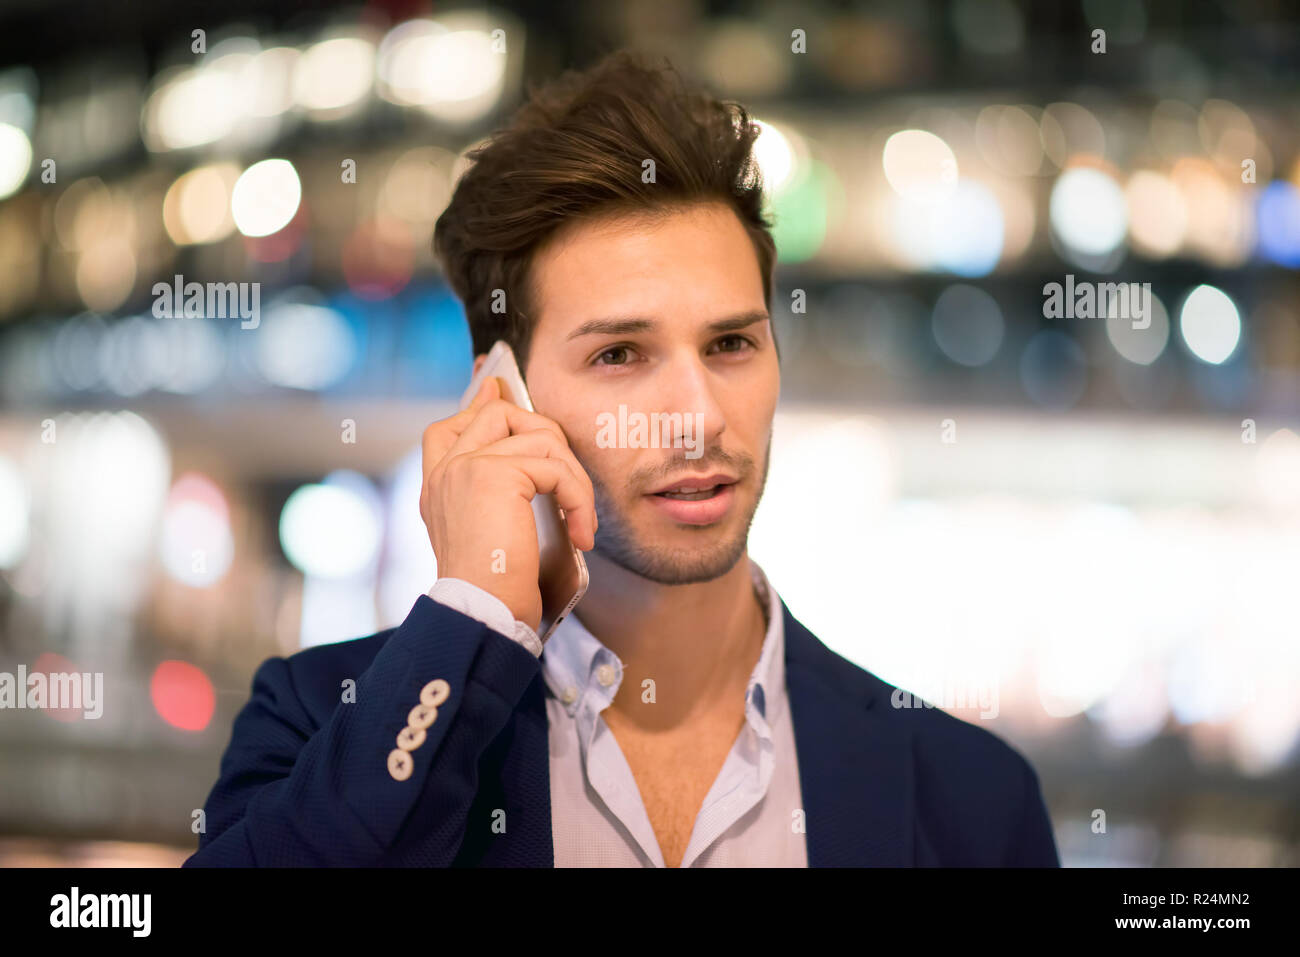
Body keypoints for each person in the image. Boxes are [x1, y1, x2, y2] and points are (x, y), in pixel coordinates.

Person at [186, 49, 1059, 868]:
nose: (697, 416)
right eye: (619, 355)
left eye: (730, 343)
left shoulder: (973, 799)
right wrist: (472, 612)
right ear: (502, 393)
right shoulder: (324, 726)